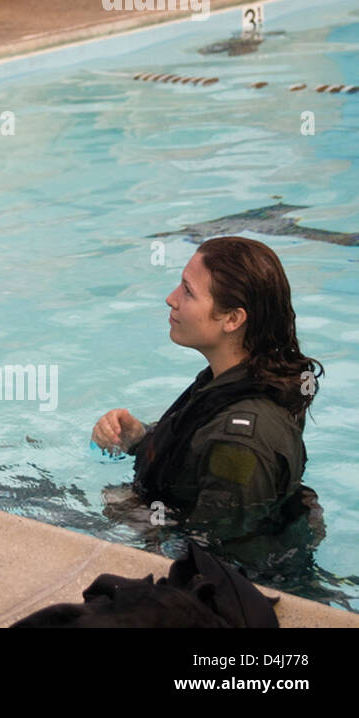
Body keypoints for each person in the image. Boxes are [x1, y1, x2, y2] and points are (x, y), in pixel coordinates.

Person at [92, 237, 323, 556]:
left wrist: (128, 513)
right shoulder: (232, 383)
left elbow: (212, 554)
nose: (171, 299)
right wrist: (139, 439)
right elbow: (192, 462)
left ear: (232, 319)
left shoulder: (239, 441)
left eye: (188, 291)